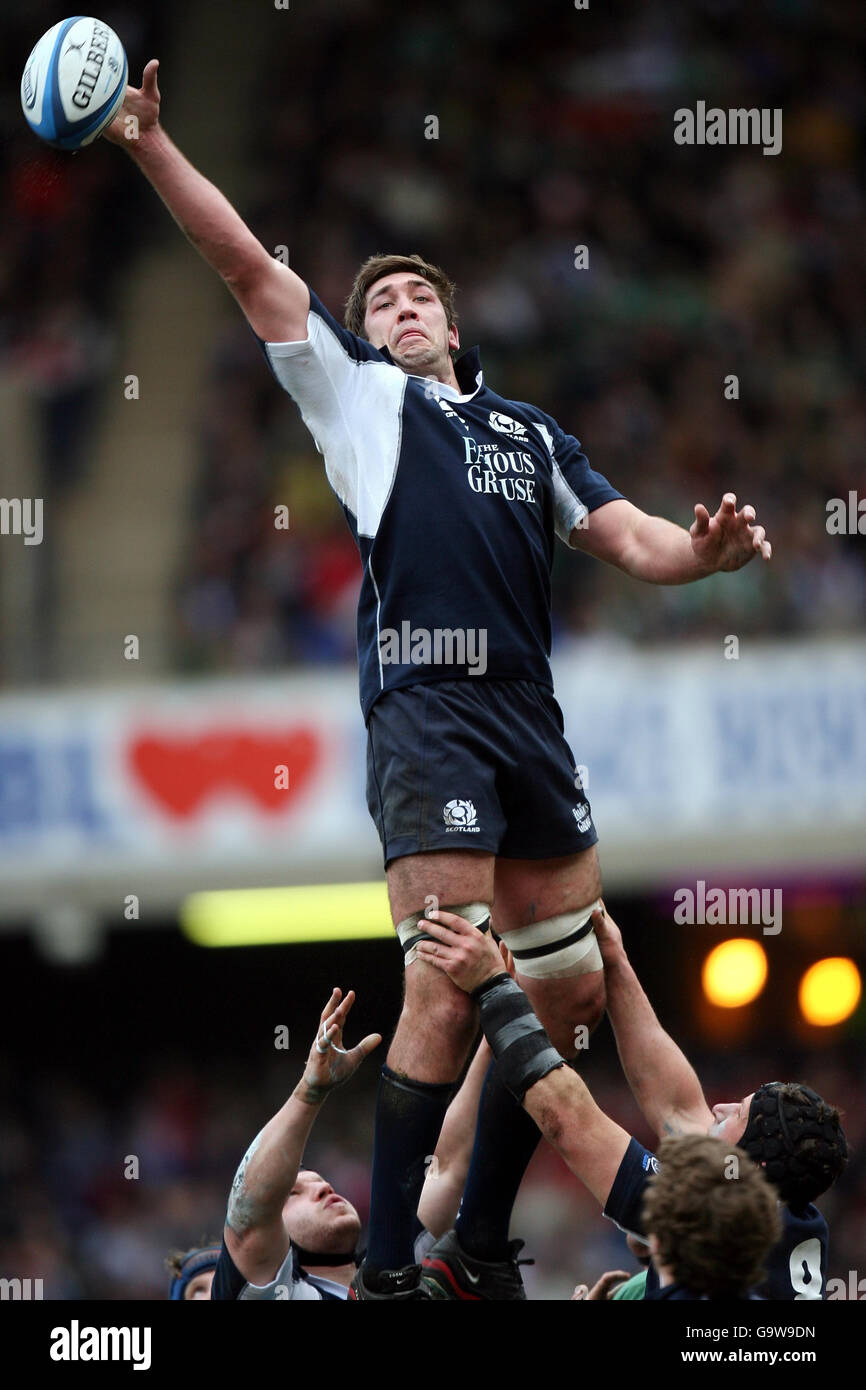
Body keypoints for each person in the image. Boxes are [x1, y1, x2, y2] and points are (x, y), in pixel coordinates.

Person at [103, 63, 773, 1300]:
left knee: (562, 987)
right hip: (428, 715)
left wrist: (707, 556)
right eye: (385, 299)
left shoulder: (529, 434)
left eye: (419, 295)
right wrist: (148, 144)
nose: (400, 306)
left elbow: (634, 541)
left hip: (529, 717)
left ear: (455, 327)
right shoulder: (358, 401)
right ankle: (396, 1273)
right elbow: (249, 267)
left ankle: (473, 1245)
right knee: (446, 972)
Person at [416, 905, 847, 1300]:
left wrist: (493, 988)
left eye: (738, 1114)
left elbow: (568, 1118)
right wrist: (616, 960)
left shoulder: (712, 1213)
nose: (718, 1108)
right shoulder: (793, 1212)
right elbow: (676, 1107)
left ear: (754, 1165)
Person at [211, 987, 380, 1301]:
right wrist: (310, 1090)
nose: (325, 1188)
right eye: (293, 1194)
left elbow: (451, 1166)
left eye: (322, 1182)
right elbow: (248, 1215)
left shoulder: (395, 1269)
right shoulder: (281, 1294)